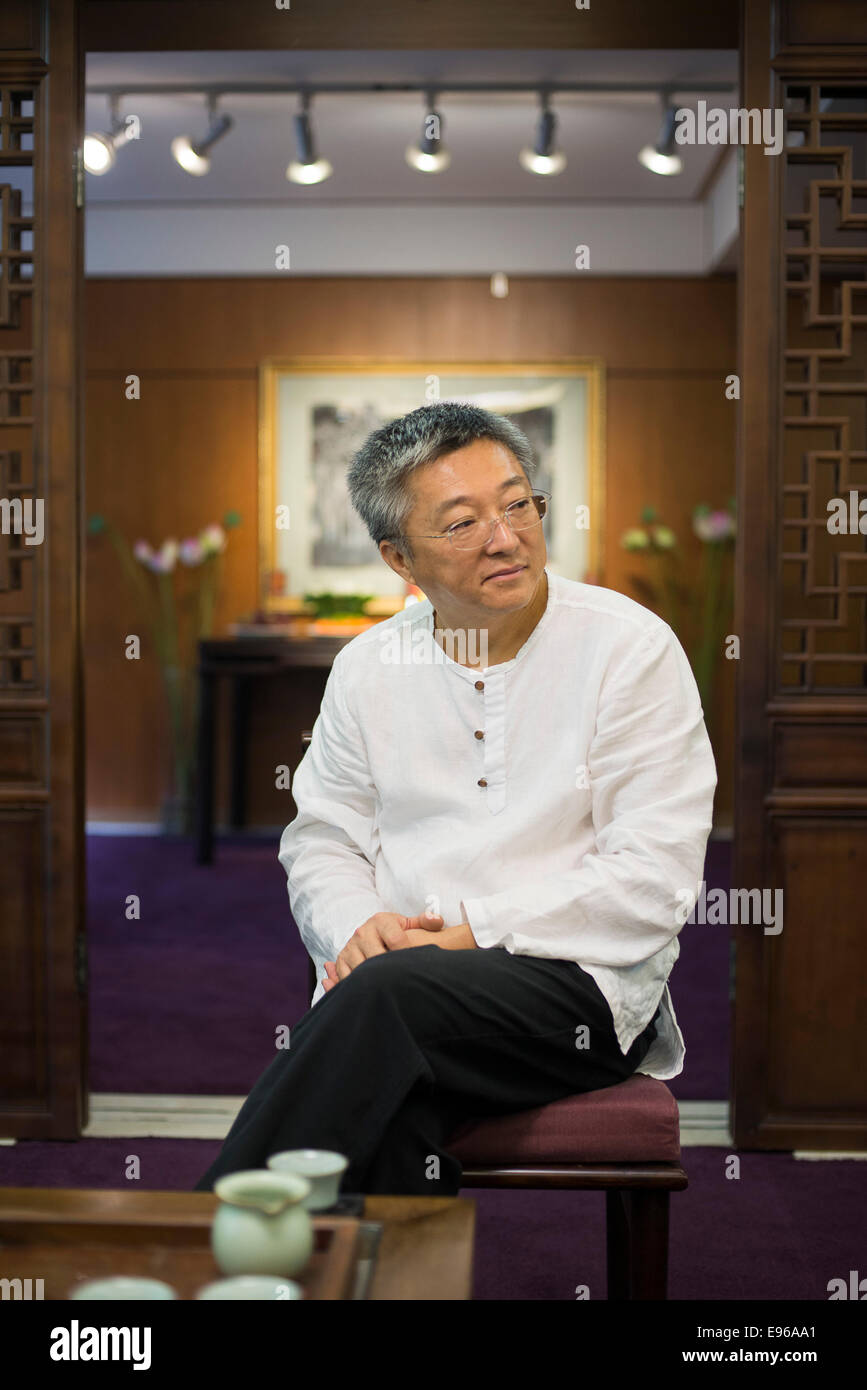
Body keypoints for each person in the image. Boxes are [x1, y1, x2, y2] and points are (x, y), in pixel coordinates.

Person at [193, 402, 717, 1197]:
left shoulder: (628, 649)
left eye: (516, 504)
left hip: (577, 984)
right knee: (390, 1100)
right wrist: (355, 930)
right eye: (462, 523)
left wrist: (466, 936)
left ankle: (203, 1254)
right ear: (399, 559)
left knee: (379, 1016)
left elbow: (654, 882)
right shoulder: (368, 667)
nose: (506, 537)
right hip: (393, 987)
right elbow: (323, 837)